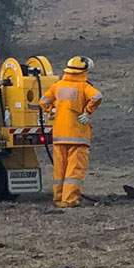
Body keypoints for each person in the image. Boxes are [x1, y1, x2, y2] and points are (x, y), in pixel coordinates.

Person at [39, 56, 101, 208]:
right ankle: (70, 200)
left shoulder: (58, 86)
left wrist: (51, 110)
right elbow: (97, 96)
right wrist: (87, 112)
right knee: (74, 170)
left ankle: (59, 198)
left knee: (59, 170)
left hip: (59, 136)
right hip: (77, 135)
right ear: (84, 71)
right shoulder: (83, 86)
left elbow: (43, 101)